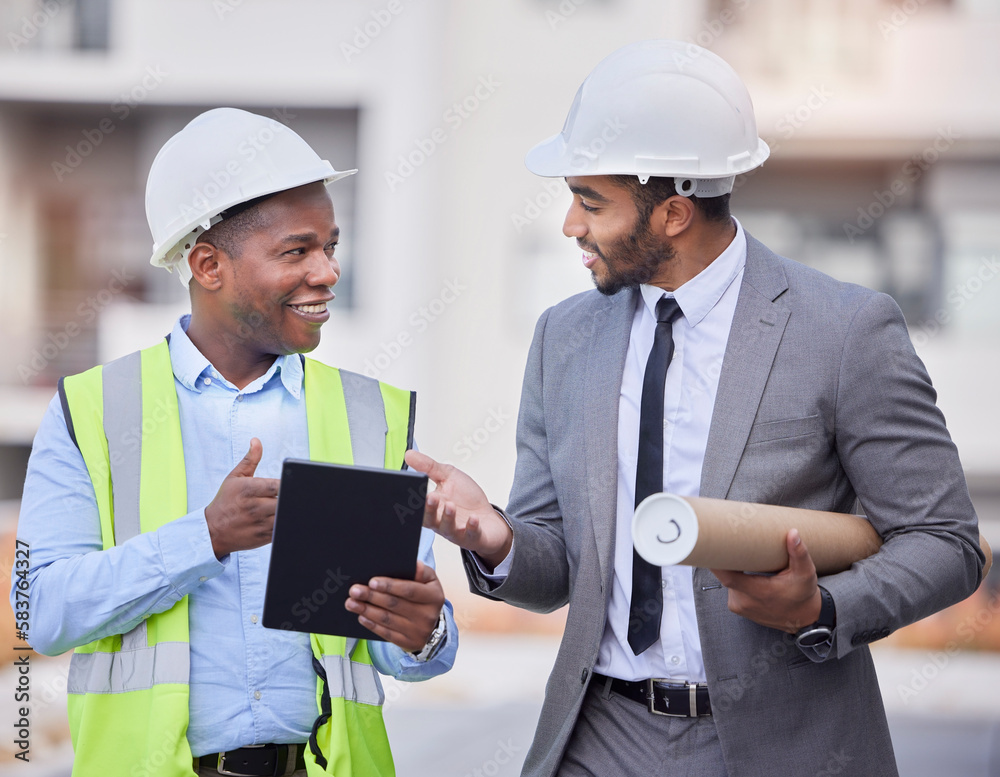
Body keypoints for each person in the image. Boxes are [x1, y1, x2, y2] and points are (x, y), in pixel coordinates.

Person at [406, 40, 983, 777]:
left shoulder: (843, 331)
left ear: (673, 212)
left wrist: (823, 608)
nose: (570, 226)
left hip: (783, 743)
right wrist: (496, 536)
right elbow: (555, 568)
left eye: (591, 202)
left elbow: (946, 541)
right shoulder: (564, 336)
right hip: (599, 736)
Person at [12, 107, 457, 777]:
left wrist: (427, 632)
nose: (329, 271)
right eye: (297, 250)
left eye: (331, 246)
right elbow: (42, 613)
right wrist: (205, 537)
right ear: (208, 265)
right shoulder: (94, 411)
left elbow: (399, 649)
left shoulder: (374, 414)